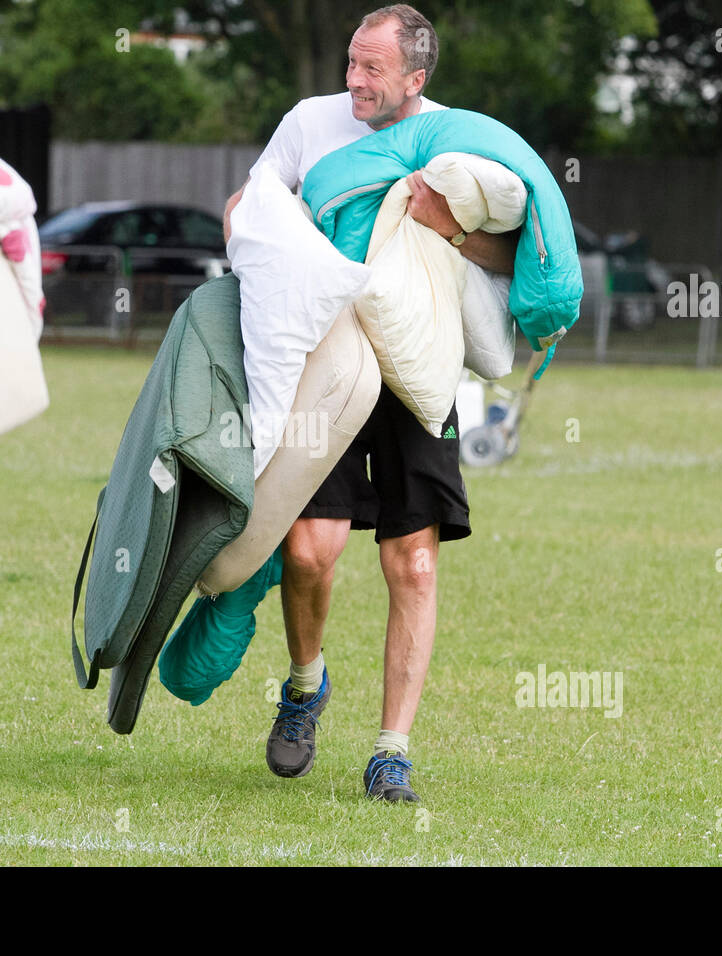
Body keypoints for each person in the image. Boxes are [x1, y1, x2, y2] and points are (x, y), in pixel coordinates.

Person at [222, 4, 518, 803]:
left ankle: (393, 750)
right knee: (311, 550)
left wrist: (448, 227)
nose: (352, 80)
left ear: (415, 79)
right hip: (326, 359)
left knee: (412, 561)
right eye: (350, 63)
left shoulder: (459, 141)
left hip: (417, 365)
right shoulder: (309, 123)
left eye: (371, 69)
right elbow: (246, 204)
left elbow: (512, 253)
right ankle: (305, 683)